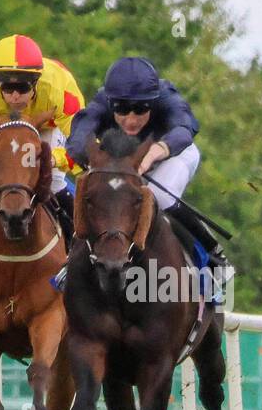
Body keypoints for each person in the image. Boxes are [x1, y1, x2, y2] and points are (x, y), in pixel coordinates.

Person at [67, 55, 230, 281]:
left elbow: (185, 128)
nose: (131, 120)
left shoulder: (166, 97)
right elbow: (77, 139)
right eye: (122, 110)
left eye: (141, 109)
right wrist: (101, 162)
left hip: (172, 154)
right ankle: (73, 260)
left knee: (159, 197)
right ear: (111, 102)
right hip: (124, 163)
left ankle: (212, 251)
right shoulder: (101, 101)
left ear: (153, 102)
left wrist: (156, 151)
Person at [0, 34, 84, 239]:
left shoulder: (60, 86)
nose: (15, 96)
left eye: (22, 87)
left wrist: (53, 159)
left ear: (36, 82)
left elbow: (83, 148)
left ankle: (85, 240)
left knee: (53, 180)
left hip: (46, 128)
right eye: (7, 87)